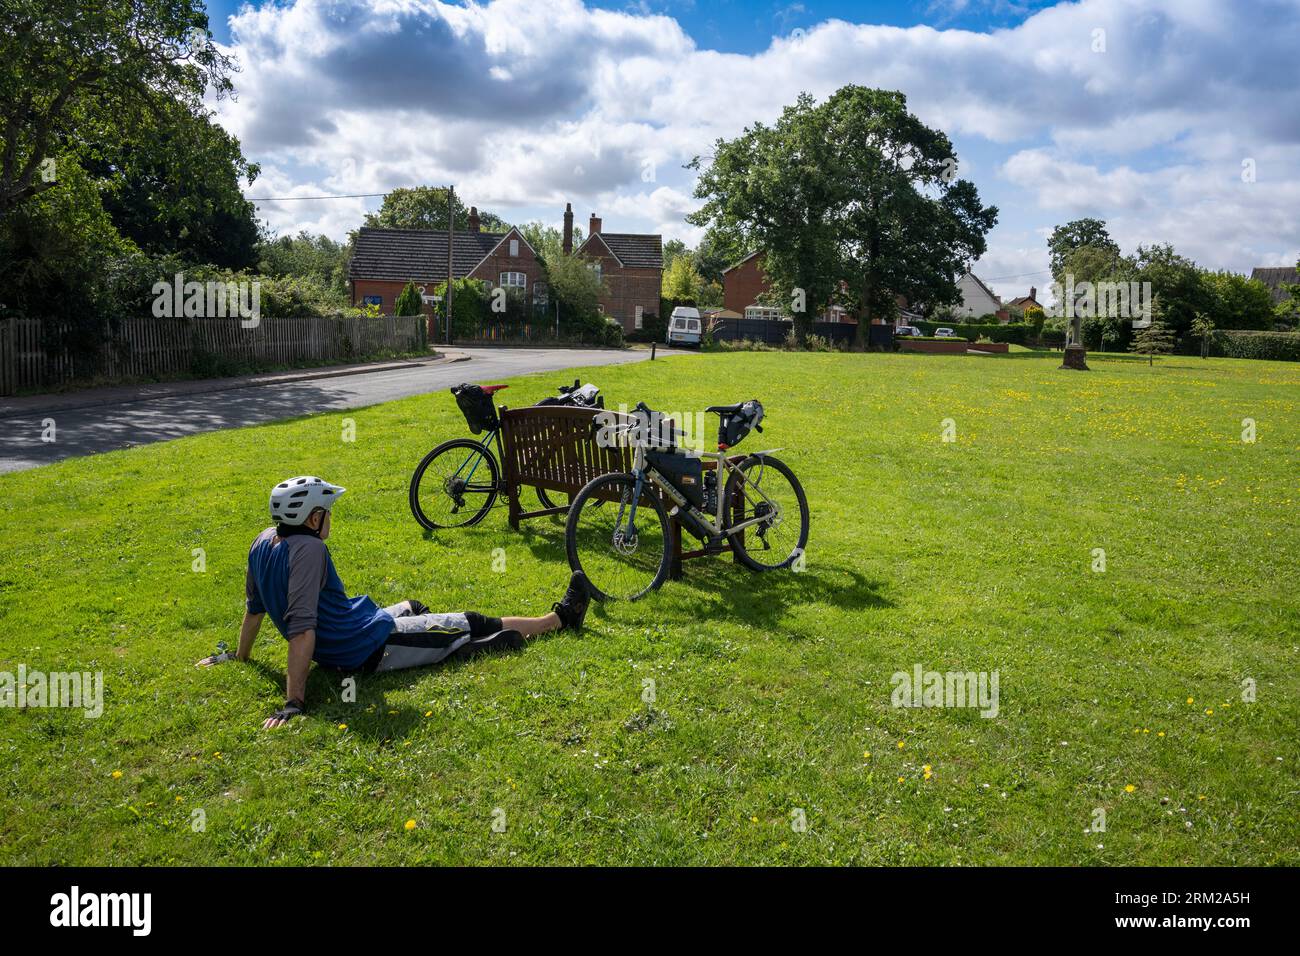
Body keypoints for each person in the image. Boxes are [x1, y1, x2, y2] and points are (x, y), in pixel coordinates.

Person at [197, 476, 589, 728]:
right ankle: (558, 618)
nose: (331, 518)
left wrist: (240, 655)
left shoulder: (263, 541)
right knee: (473, 621)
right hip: (366, 646)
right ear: (314, 519)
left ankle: (439, 637)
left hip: (356, 623)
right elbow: (301, 632)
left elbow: (254, 609)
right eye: (327, 512)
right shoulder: (310, 552)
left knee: (414, 607)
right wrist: (294, 702)